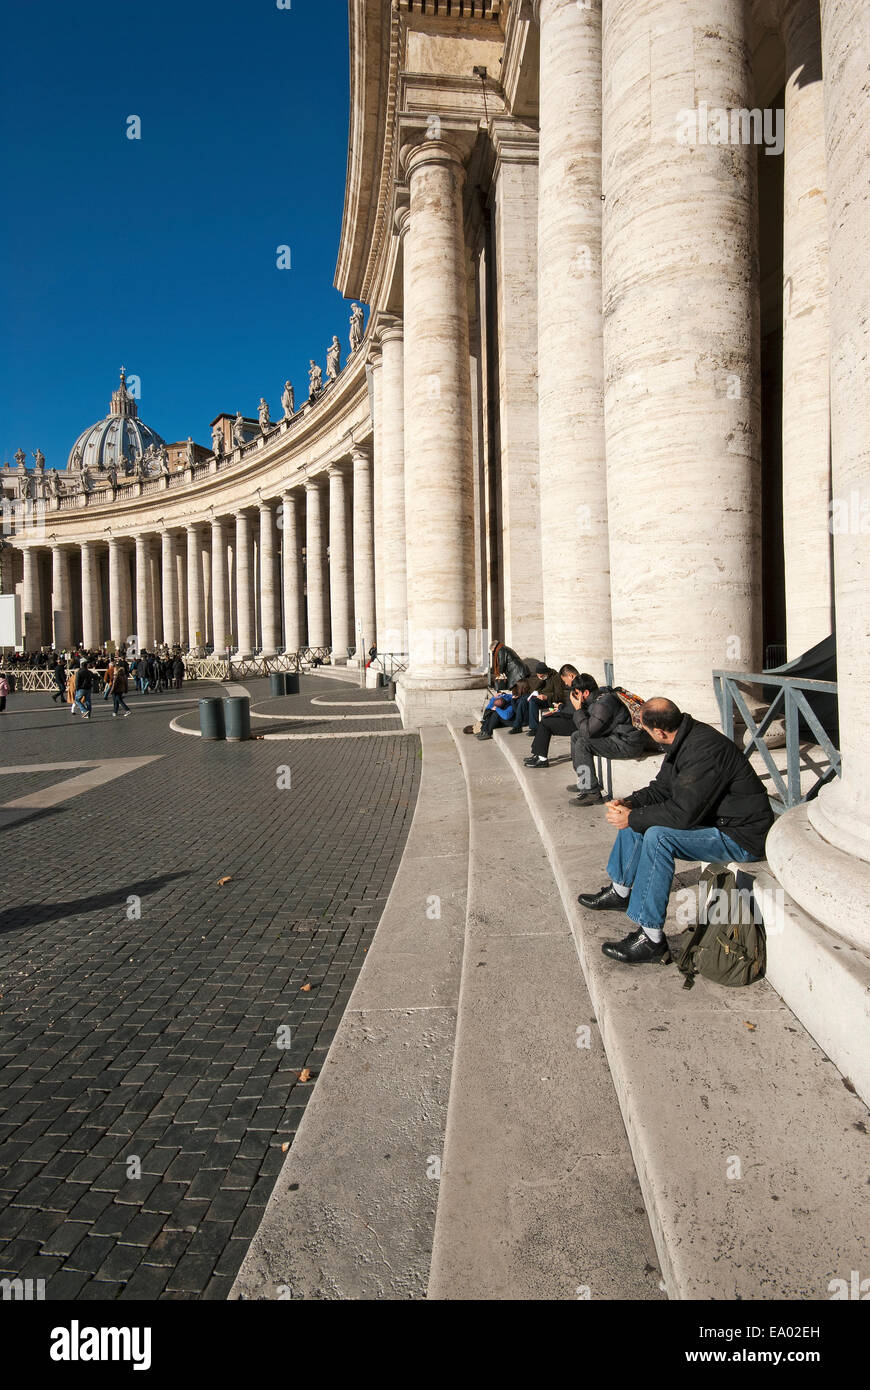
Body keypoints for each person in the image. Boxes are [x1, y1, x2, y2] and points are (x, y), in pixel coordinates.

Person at [578, 697, 774, 965]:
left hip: (742, 836)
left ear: (659, 731)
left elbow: (683, 815)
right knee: (638, 815)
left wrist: (633, 817)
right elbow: (661, 789)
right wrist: (630, 803)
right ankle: (620, 891)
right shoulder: (682, 738)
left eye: (645, 730)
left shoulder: (704, 750)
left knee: (657, 836)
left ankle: (651, 940)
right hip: (716, 820)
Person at [567, 679, 653, 806]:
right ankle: (583, 781)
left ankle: (591, 793)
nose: (575, 697)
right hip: (618, 736)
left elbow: (588, 732)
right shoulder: (600, 697)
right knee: (575, 736)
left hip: (626, 744)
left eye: (577, 694)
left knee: (582, 743)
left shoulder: (603, 704)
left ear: (585, 692)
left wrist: (578, 709)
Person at [522, 664, 582, 768]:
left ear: (571, 676)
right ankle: (538, 754)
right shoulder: (578, 684)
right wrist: (559, 709)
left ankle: (542, 758)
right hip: (573, 717)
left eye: (565, 681)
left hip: (577, 721)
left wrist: (560, 708)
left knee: (546, 723)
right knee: (546, 719)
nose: (565, 684)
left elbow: (577, 708)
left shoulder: (579, 686)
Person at [512, 662, 567, 736]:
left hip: (549, 700)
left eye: (542, 675)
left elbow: (559, 695)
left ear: (546, 673)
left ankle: (534, 728)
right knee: (523, 699)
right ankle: (517, 726)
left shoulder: (555, 677)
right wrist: (540, 681)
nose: (539, 676)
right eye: (538, 675)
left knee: (533, 701)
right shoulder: (537, 677)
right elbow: (533, 690)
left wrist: (546, 696)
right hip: (538, 696)